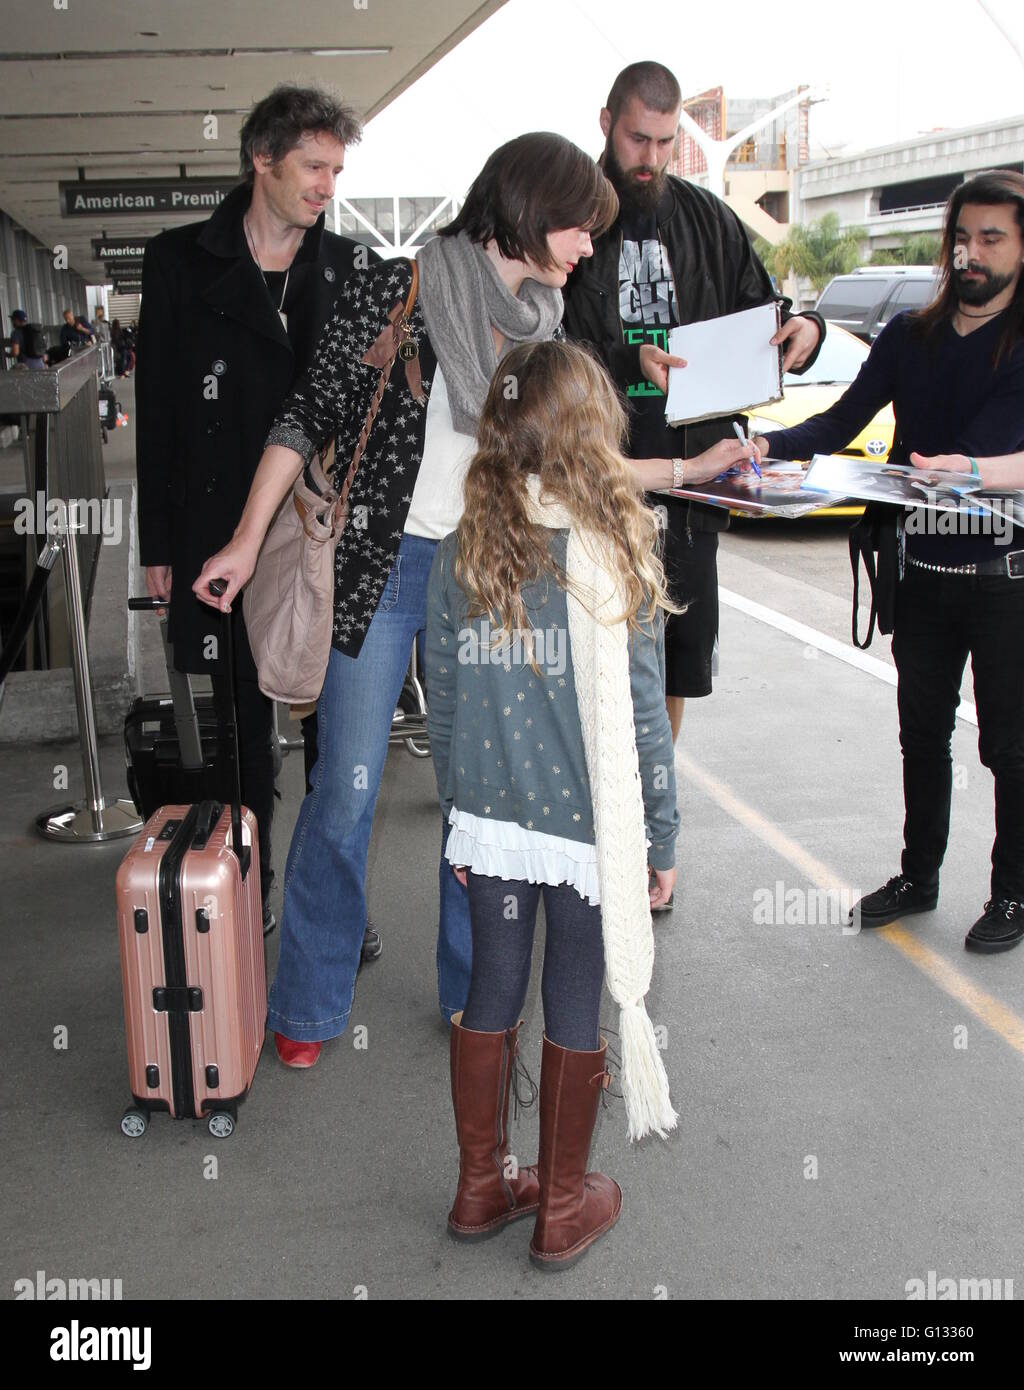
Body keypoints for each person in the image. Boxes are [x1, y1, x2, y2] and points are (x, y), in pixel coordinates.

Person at [193, 132, 618, 1069]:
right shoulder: (401, 287)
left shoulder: (547, 324)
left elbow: (571, 461)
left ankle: (479, 994)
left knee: (481, 802)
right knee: (345, 794)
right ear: (527, 206)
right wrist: (243, 538)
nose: (588, 246)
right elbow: (305, 417)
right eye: (581, 226)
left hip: (490, 578)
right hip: (383, 572)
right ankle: (306, 1006)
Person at [425, 339, 682, 1269]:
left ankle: (479, 1185)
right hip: (586, 836)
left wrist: (456, 812)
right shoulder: (613, 551)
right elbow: (645, 721)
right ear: (591, 433)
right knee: (573, 996)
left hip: (491, 825)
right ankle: (563, 1205)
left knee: (492, 989)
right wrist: (662, 835)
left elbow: (442, 698)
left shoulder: (467, 549)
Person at [751, 170, 1024, 954]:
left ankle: (1012, 893)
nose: (971, 253)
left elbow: (1000, 448)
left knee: (1009, 746)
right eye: (963, 237)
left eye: (992, 238)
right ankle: (919, 876)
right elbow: (841, 419)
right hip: (923, 577)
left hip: (1008, 581)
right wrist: (766, 448)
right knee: (921, 734)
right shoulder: (910, 335)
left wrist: (960, 467)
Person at [136, 83, 372, 944]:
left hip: (320, 534)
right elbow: (158, 406)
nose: (326, 186)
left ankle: (329, 903)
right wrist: (157, 542)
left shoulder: (348, 270)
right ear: (261, 160)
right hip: (215, 527)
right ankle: (249, 890)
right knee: (239, 735)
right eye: (313, 166)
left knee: (334, 738)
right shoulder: (178, 263)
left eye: (337, 170)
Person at [561, 62, 824, 754]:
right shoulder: (568, 217)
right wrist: (625, 362)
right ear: (606, 124)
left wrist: (806, 330)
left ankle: (650, 817)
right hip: (594, 487)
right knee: (590, 662)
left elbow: (764, 313)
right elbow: (541, 349)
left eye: (665, 143)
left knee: (675, 667)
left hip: (690, 488)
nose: (650, 159)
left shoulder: (709, 219)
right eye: (637, 139)